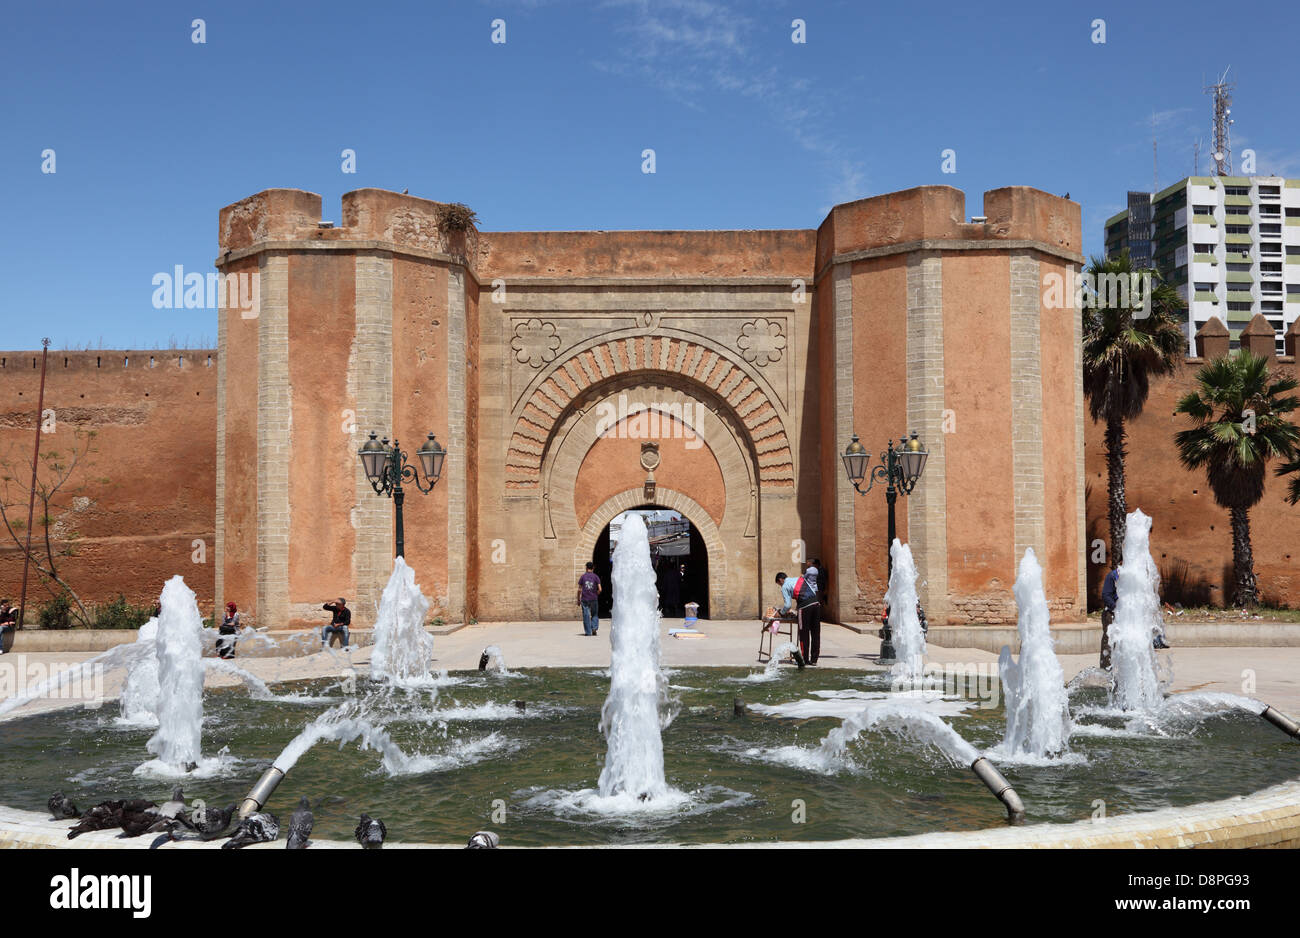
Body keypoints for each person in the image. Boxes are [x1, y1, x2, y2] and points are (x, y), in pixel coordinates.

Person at [796, 564, 822, 665]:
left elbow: (801, 579)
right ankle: (814, 659)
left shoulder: (805, 582)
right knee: (816, 634)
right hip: (816, 605)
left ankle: (805, 659)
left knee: (804, 633)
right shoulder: (815, 585)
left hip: (805, 606)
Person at [1100, 566, 1119, 669]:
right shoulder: (1112, 576)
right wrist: (1117, 608)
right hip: (1111, 614)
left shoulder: (1131, 576)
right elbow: (1105, 595)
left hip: (1125, 615)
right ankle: (1106, 671)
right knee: (1109, 643)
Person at [577, 562, 602, 636]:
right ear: (593, 568)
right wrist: (596, 593)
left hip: (585, 599)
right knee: (594, 614)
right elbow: (600, 589)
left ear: (586, 568)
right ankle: (594, 628)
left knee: (586, 615)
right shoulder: (596, 577)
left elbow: (579, 590)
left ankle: (588, 632)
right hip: (593, 598)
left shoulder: (583, 577)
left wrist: (578, 599)